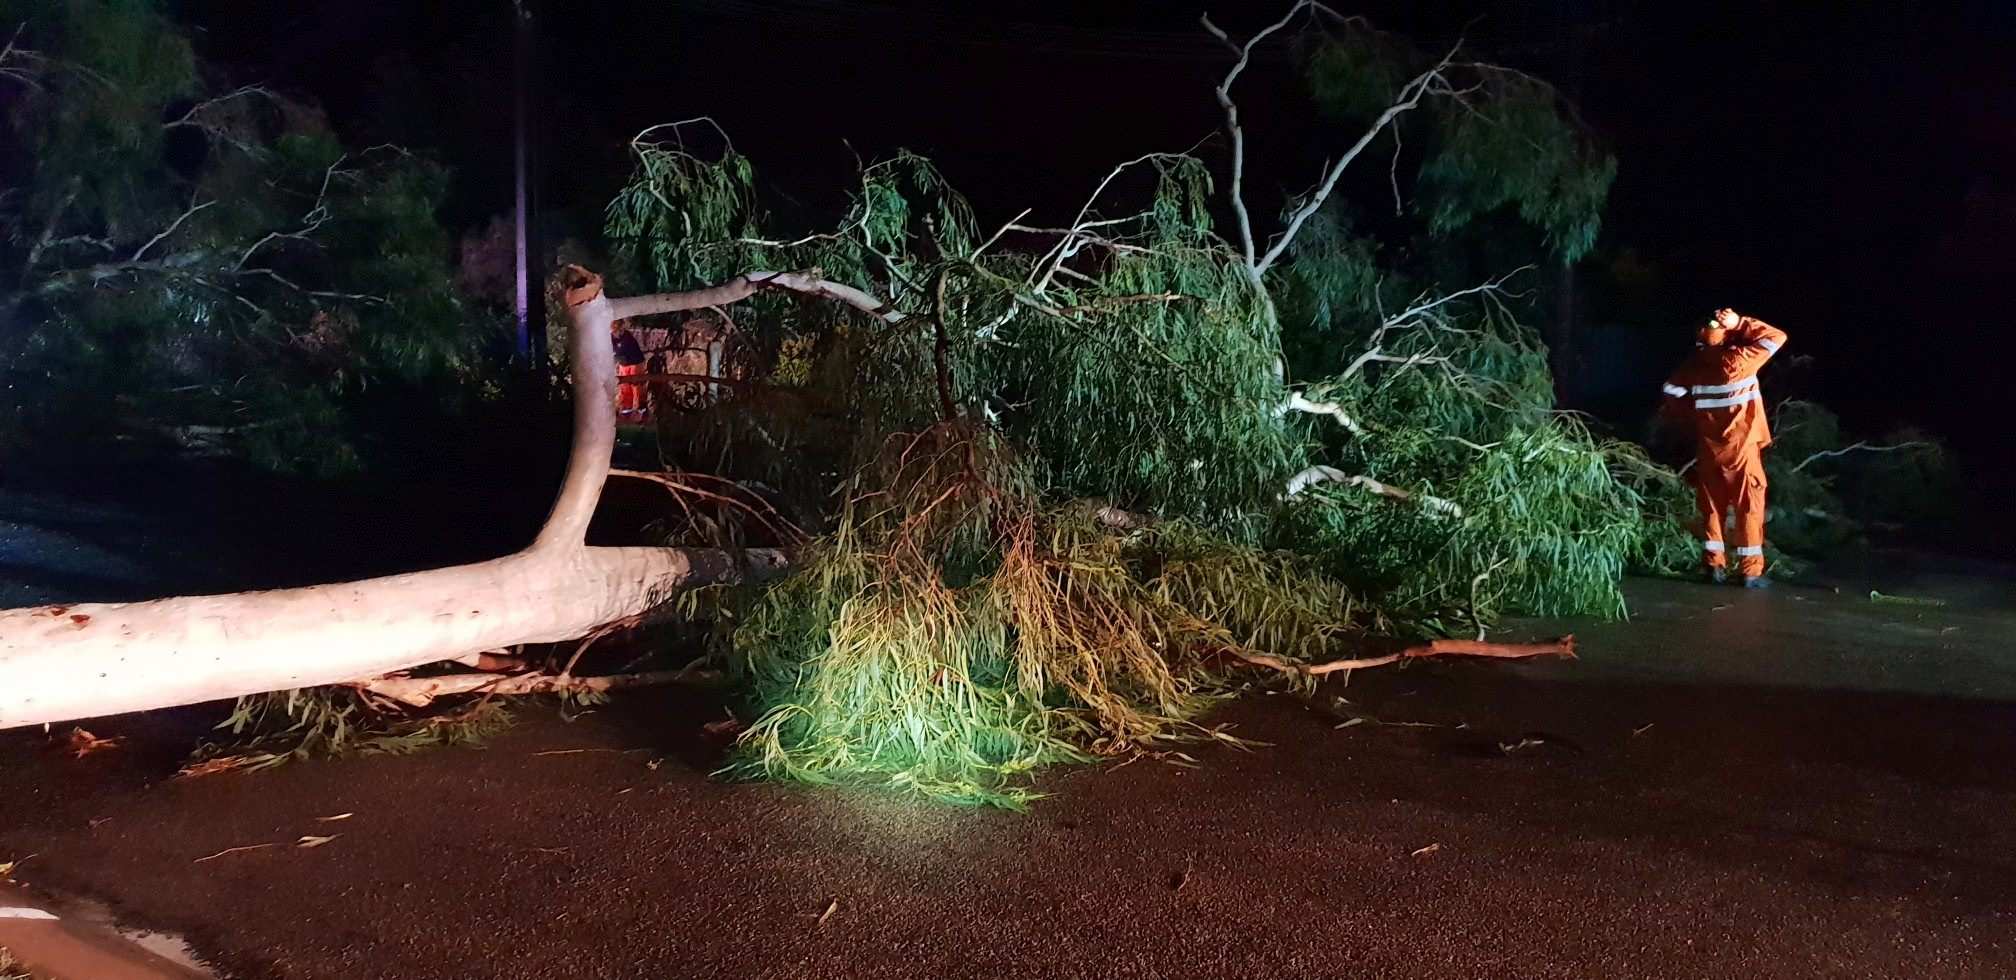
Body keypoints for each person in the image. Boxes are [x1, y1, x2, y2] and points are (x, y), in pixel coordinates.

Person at [1659, 307, 1788, 588]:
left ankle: (1713, 567)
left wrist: (1693, 415)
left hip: (1709, 450)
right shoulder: (1739, 360)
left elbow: (1670, 390)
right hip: (1741, 450)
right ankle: (1750, 572)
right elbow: (1776, 337)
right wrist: (1740, 322)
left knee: (1712, 509)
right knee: (1749, 506)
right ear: (1726, 337)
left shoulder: (1694, 367)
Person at [612, 319, 647, 421]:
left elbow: (621, 355)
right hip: (625, 365)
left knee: (636, 386)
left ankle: (640, 410)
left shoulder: (627, 337)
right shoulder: (612, 337)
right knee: (624, 387)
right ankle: (626, 411)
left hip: (635, 363)